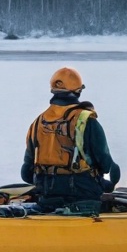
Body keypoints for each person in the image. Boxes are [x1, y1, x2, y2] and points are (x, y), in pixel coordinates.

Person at [20, 67, 118, 211]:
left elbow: (26, 174)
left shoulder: (37, 123)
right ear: (78, 91)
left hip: (47, 195)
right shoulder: (86, 120)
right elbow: (105, 165)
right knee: (112, 176)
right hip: (81, 194)